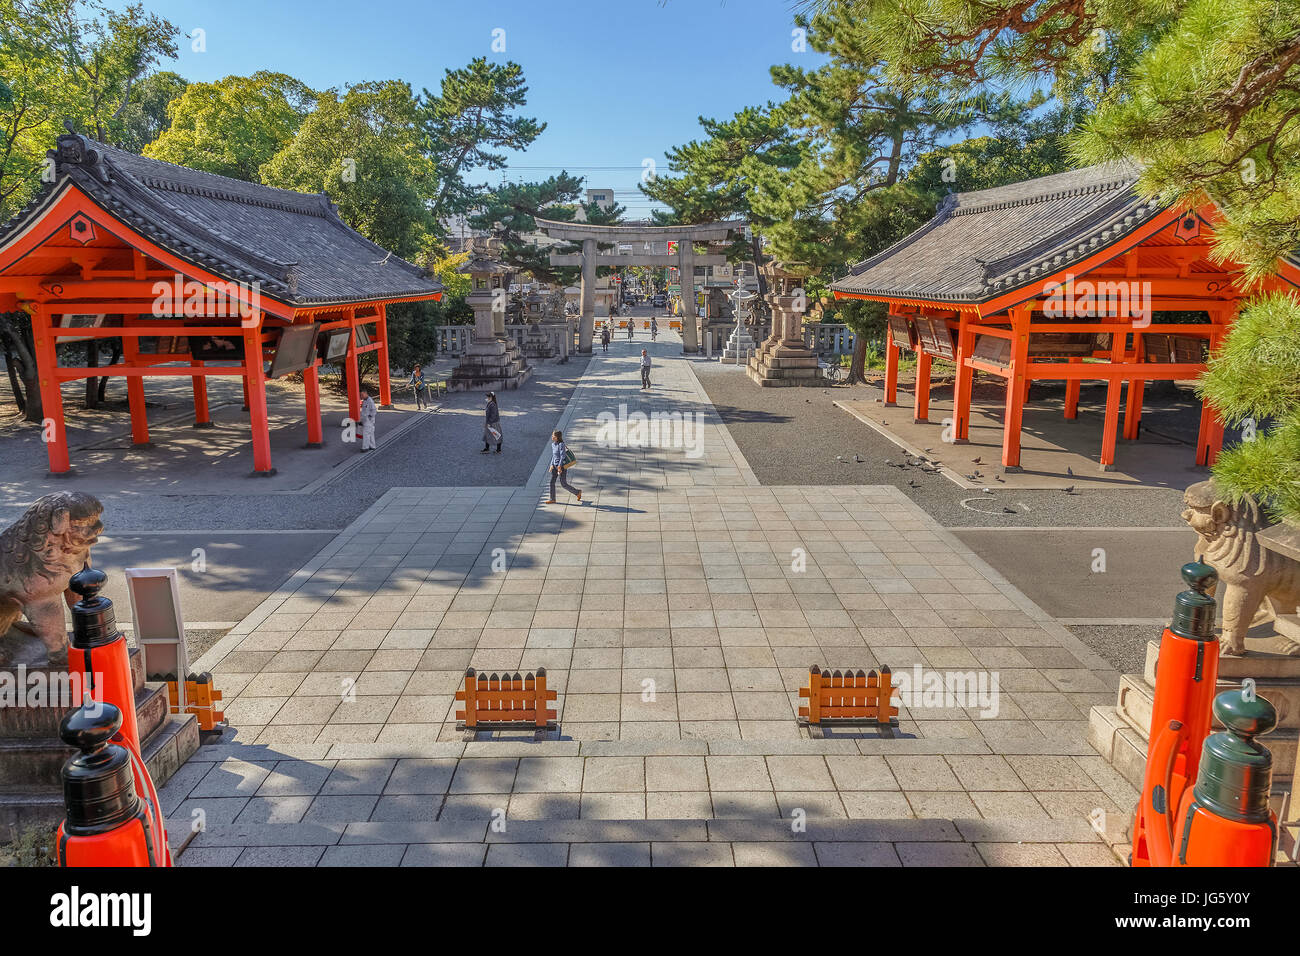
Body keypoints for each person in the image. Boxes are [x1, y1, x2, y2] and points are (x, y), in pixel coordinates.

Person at [546, 429, 582, 505]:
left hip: (561, 466)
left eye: (553, 435)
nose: (552, 437)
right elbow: (554, 456)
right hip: (554, 466)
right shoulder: (553, 444)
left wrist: (559, 466)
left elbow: (563, 456)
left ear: (556, 437)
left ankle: (577, 492)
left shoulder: (561, 444)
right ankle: (552, 499)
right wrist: (551, 465)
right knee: (552, 482)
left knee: (563, 484)